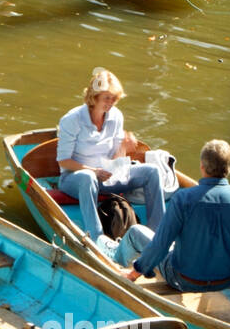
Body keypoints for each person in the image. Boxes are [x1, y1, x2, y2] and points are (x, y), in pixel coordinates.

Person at [122, 139, 230, 290]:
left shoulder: (182, 200)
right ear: (229, 167)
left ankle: (117, 261)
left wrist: (135, 273)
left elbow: (160, 244)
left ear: (202, 166)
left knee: (137, 232)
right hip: (225, 280)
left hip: (182, 280)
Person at [56, 68, 166, 254]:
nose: (111, 103)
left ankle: (157, 235)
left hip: (106, 175)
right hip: (75, 178)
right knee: (87, 177)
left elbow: (115, 160)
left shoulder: (116, 116)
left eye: (114, 98)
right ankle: (98, 239)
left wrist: (124, 147)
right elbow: (64, 162)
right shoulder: (72, 119)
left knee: (152, 172)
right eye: (107, 97)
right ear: (94, 95)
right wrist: (93, 170)